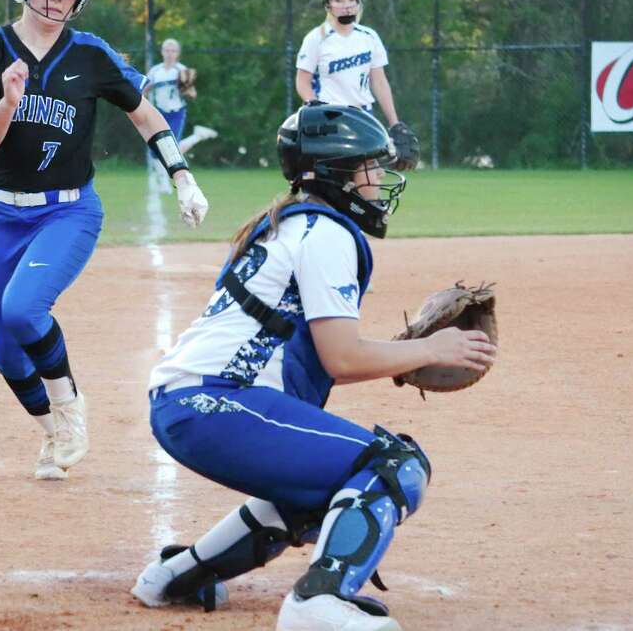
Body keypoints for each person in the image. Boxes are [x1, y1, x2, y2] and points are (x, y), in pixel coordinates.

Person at [130, 104, 496, 630]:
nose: (379, 180)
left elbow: (325, 352)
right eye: (369, 167)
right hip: (217, 405)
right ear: (336, 172)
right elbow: (341, 358)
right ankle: (317, 602)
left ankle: (175, 576)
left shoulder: (289, 225)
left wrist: (408, 352)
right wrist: (431, 349)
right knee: (396, 467)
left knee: (320, 492)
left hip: (188, 404)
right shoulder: (327, 234)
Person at [0, 0, 210, 481]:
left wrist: (182, 176)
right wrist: (7, 103)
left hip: (66, 211)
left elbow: (145, 114)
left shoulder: (92, 53)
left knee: (23, 309)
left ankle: (70, 407)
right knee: (6, 354)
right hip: (2, 213)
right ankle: (53, 435)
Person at [295, 0, 418, 169]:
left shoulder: (368, 36)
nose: (347, 6)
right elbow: (303, 81)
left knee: (370, 175)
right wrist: (315, 109)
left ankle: (368, 200)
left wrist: (394, 123)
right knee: (333, 177)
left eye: (351, 0)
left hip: (363, 115)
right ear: (328, 4)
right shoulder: (316, 38)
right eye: (339, 1)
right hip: (330, 116)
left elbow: (379, 82)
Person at [143, 38, 218, 192]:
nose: (170, 53)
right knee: (155, 148)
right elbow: (143, 90)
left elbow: (192, 94)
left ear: (178, 53)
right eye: (167, 50)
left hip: (176, 112)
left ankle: (197, 137)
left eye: (173, 50)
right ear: (162, 52)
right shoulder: (155, 71)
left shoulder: (181, 70)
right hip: (158, 112)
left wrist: (187, 87)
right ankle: (197, 136)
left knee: (172, 147)